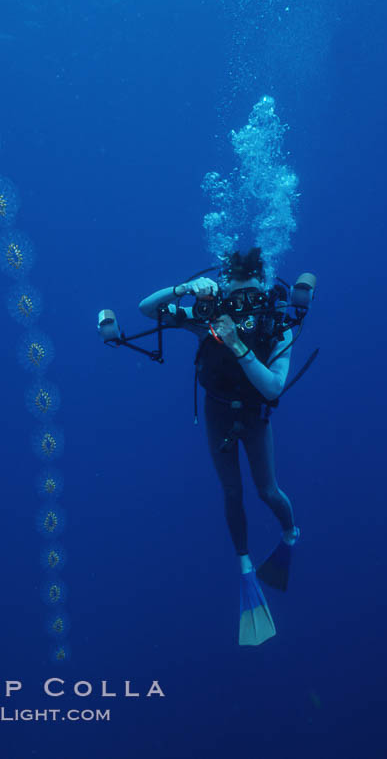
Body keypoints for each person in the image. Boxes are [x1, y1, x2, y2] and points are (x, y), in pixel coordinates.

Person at [138, 247, 300, 646]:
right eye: (236, 296)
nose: (244, 306)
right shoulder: (208, 318)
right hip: (218, 412)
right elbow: (146, 309)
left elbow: (273, 388)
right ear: (224, 292)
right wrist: (182, 289)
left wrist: (238, 345)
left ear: (264, 290)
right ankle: (245, 567)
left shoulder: (277, 325)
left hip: (256, 416)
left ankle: (290, 533)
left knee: (267, 491)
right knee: (231, 491)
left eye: (252, 295)